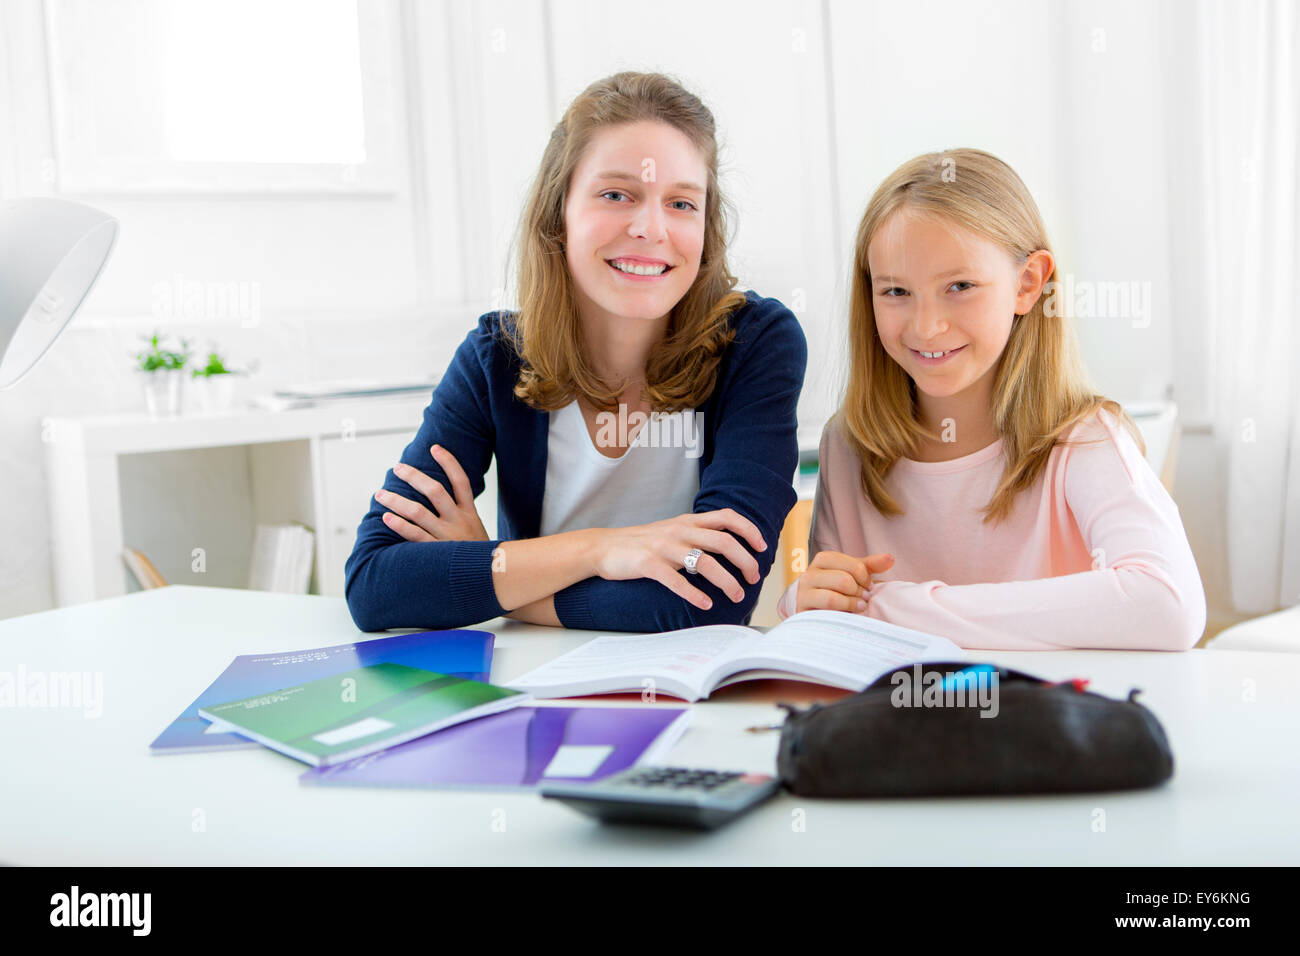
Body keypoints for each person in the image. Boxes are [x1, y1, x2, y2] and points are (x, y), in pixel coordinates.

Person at [346, 71, 805, 633]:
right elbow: (374, 585)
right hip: (532, 693)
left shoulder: (756, 344)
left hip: (689, 699)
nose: (650, 228)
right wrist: (601, 550)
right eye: (617, 195)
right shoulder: (496, 357)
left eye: (682, 203)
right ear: (558, 211)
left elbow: (709, 597)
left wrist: (499, 580)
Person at [779, 148, 1205, 650]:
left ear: (1028, 285)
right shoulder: (849, 446)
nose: (926, 326)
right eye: (896, 291)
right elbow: (837, 627)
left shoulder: (1083, 439)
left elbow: (1167, 606)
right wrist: (802, 602)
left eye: (960, 286)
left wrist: (893, 607)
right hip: (901, 719)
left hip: (1042, 719)